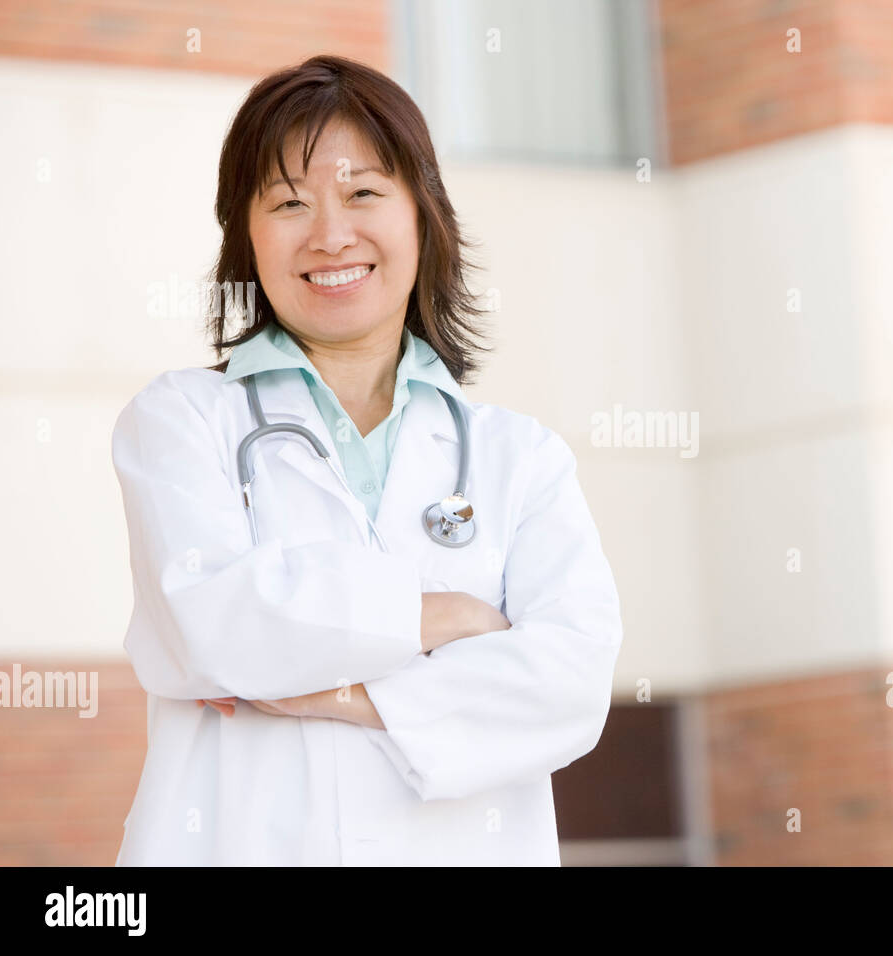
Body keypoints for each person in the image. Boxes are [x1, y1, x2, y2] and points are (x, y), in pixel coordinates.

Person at [110, 55, 622, 865]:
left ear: (422, 214)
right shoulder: (180, 422)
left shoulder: (518, 458)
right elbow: (216, 628)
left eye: (363, 193)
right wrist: (445, 619)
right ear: (245, 231)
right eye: (288, 202)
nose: (330, 235)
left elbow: (569, 684)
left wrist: (348, 694)